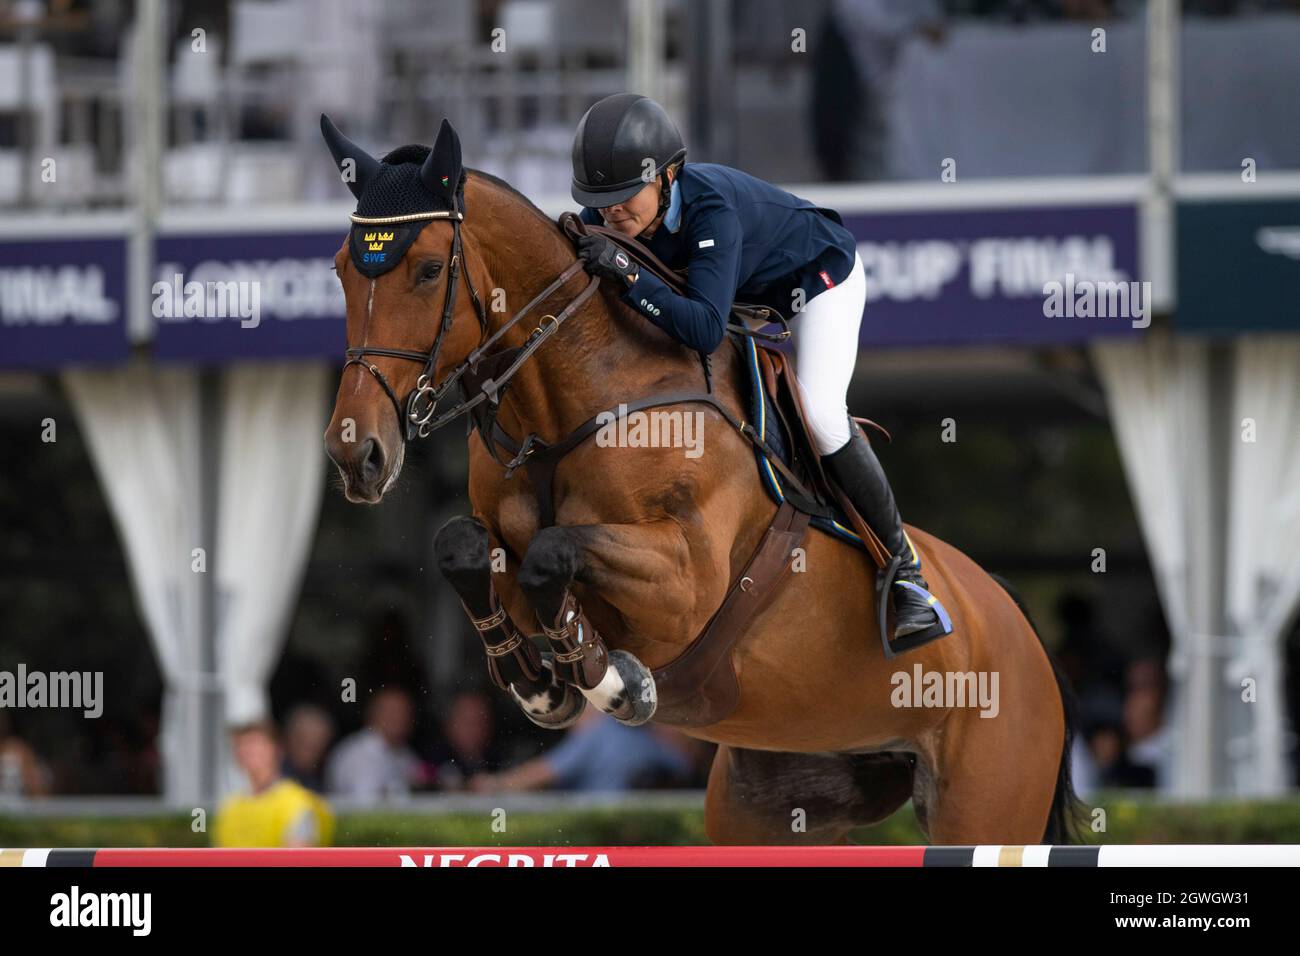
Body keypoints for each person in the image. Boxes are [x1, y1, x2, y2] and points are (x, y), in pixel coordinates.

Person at [569, 92, 938, 639]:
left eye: (625, 197)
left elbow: (701, 328)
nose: (611, 213)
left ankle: (907, 575)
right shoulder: (604, 216)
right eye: (601, 202)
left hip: (818, 281)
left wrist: (625, 274)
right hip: (745, 300)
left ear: (669, 177)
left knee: (819, 415)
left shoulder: (710, 210)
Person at [467, 706, 691, 794]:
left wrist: (493, 784)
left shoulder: (599, 730)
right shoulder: (632, 735)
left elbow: (544, 772)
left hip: (601, 832)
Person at [213, 722, 334, 848]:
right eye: (240, 745)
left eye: (254, 745)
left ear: (276, 750)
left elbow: (298, 860)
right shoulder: (229, 807)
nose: (246, 751)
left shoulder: (297, 802)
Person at [325, 687, 428, 799]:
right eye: (391, 711)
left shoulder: (405, 753)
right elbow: (366, 804)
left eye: (404, 712)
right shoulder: (357, 752)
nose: (399, 717)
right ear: (372, 714)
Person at [281, 703, 335, 793]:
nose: (311, 753)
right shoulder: (275, 776)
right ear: (290, 739)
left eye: (317, 746)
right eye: (305, 743)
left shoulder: (323, 775)